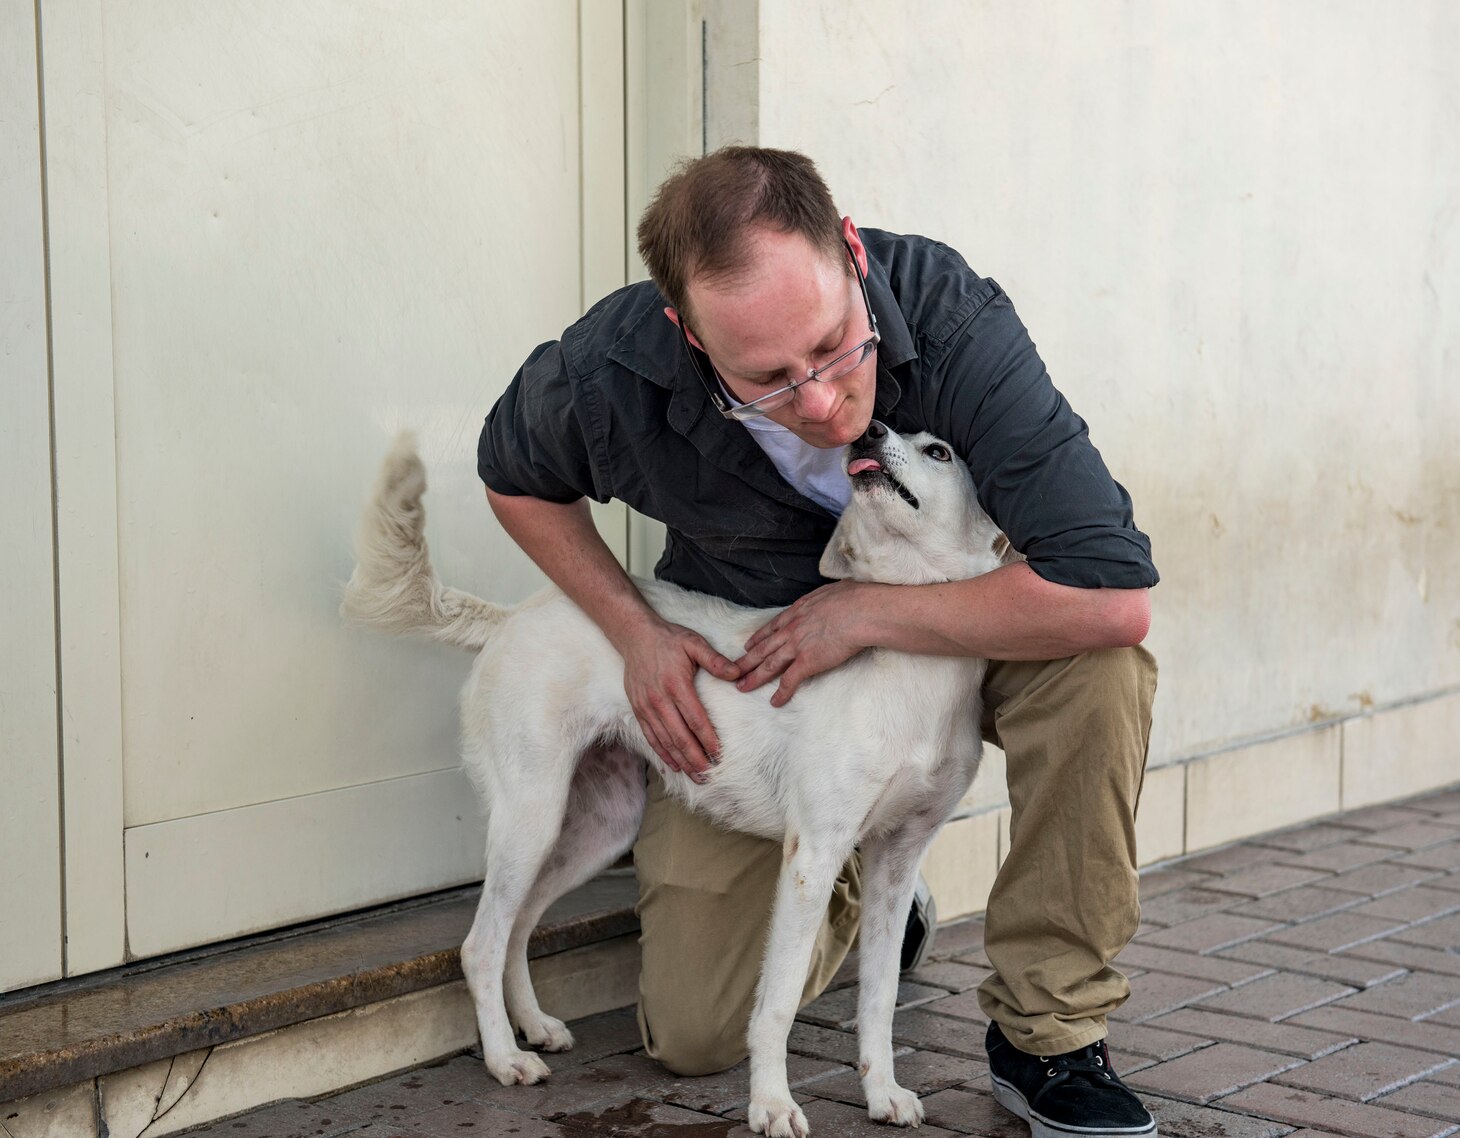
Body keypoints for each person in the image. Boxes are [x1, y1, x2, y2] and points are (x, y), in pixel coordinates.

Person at [477, 146, 1159, 1138]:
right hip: (766, 690)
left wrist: (865, 613)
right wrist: (632, 632)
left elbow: (1113, 593)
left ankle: (1048, 1029)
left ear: (849, 256)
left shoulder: (951, 315)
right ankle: (867, 865)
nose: (820, 400)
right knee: (694, 1029)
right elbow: (512, 478)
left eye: (837, 346)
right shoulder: (609, 370)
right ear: (685, 332)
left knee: (1098, 669)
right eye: (767, 377)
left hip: (947, 632)